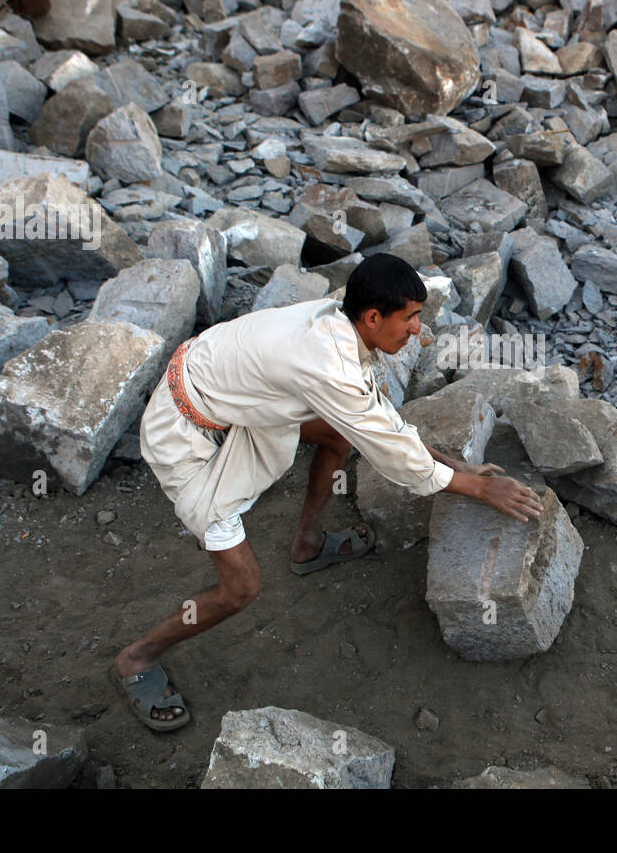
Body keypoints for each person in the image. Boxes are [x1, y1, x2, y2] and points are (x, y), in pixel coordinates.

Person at [111, 253, 544, 731]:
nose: (419, 331)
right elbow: (390, 449)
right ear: (373, 316)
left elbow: (379, 421)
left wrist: (459, 466)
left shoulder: (339, 321)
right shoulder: (328, 364)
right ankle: (136, 658)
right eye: (411, 318)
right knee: (241, 587)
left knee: (338, 435)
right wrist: (478, 489)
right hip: (185, 433)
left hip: (228, 399)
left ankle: (308, 544)